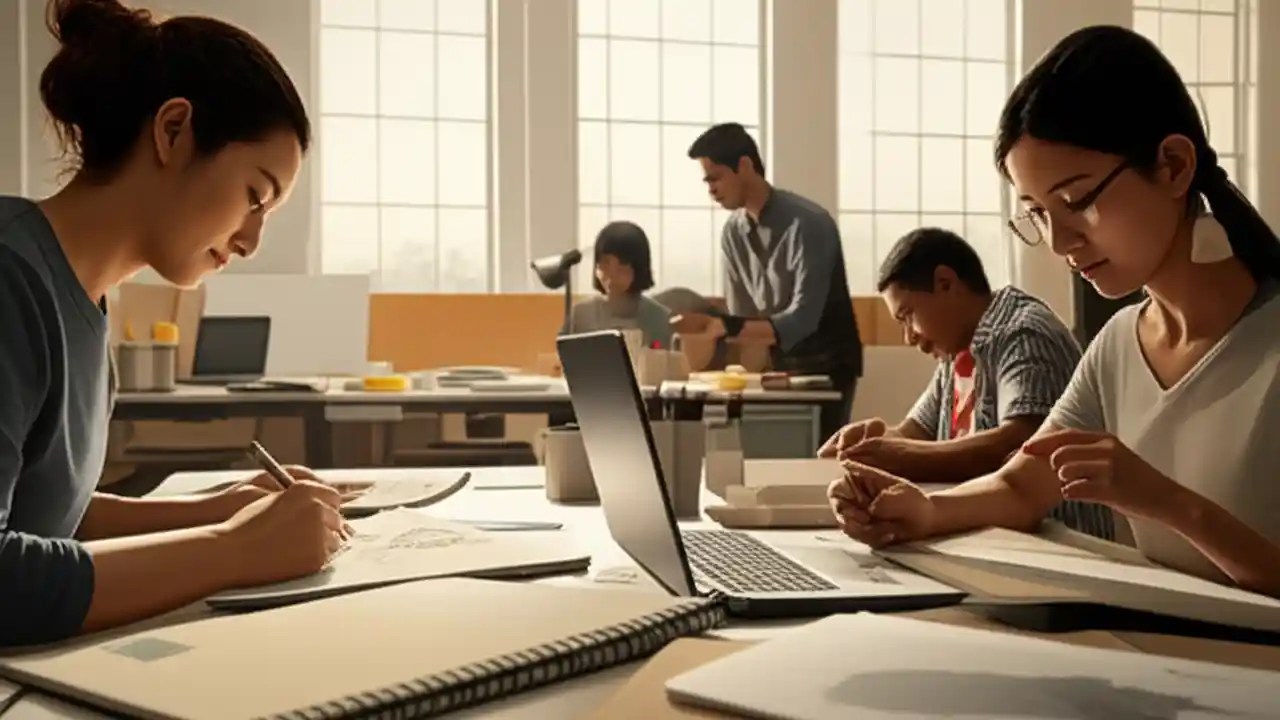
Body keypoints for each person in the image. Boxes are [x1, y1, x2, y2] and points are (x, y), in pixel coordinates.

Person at [828, 25, 1280, 596]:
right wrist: (921, 513)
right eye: (1037, 214)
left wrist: (1165, 501)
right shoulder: (1119, 343)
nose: (1060, 242)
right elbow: (1023, 485)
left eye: (1076, 203)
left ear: (1172, 165)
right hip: (1168, 656)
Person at [0, 0, 343, 647]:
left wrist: (215, 511)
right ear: (174, 129)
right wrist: (234, 550)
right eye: (255, 196)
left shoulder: (85, 303)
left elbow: (44, 519)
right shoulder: (10, 278)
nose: (251, 242)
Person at [679, 123, 863, 441]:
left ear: (745, 166)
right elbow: (743, 317)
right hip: (775, 368)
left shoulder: (808, 223)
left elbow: (801, 320)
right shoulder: (732, 233)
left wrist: (727, 326)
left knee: (819, 461)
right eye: (706, 180)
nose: (710, 189)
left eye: (715, 177)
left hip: (827, 366)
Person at [562, 220, 673, 348]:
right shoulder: (581, 315)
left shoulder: (658, 318)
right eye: (605, 262)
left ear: (639, 267)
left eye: (622, 264)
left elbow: (663, 363)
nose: (611, 274)